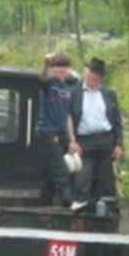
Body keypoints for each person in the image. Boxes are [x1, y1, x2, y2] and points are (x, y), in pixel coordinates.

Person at [67, 57, 124, 212]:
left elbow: (116, 120)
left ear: (101, 78)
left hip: (106, 140)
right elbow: (69, 117)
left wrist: (119, 144)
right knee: (82, 177)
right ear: (86, 74)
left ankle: (107, 209)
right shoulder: (74, 93)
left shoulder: (109, 94)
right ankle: (80, 207)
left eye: (96, 79)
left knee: (106, 178)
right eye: (91, 78)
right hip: (84, 141)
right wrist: (72, 140)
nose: (93, 82)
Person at [35, 50, 77, 206]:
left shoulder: (68, 89)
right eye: (58, 66)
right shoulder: (49, 84)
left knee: (49, 169)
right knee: (60, 167)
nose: (61, 69)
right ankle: (68, 200)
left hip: (61, 133)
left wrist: (72, 139)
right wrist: (46, 63)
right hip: (47, 131)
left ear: (69, 68)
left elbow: (68, 116)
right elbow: (43, 78)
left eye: (64, 66)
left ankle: (44, 201)